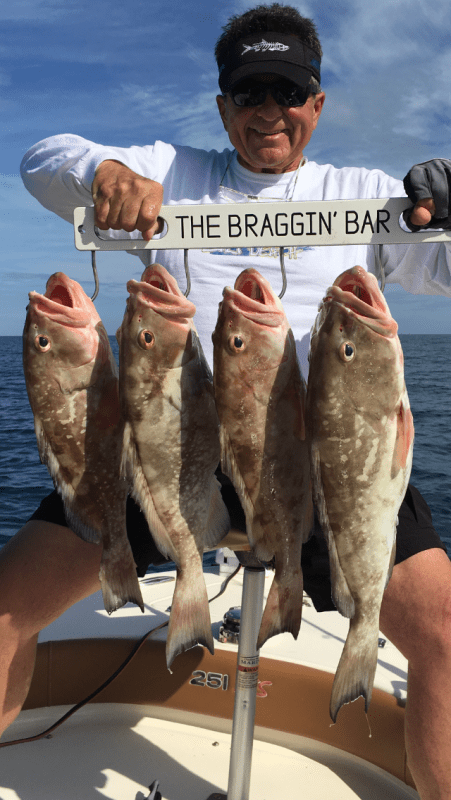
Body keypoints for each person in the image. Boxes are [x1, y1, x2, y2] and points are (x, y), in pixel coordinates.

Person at [2, 3, 451, 796]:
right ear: (221, 107)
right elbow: (43, 158)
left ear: (316, 103)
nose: (267, 111)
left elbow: (441, 270)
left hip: (325, 463)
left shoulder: (365, 195)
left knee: (444, 631)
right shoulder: (173, 174)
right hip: (171, 455)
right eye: (248, 93)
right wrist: (104, 175)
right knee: (6, 606)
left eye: (286, 90)